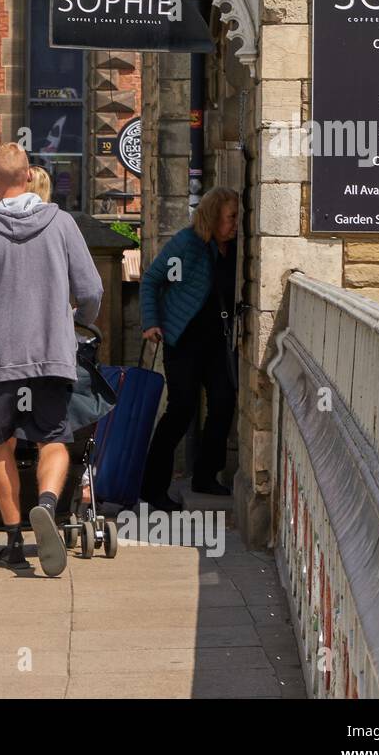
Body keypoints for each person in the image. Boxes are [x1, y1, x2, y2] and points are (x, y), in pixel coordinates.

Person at [0, 142, 103, 577]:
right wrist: (76, 322)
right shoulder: (61, 224)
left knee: (1, 444)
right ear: (29, 175)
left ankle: (14, 543)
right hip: (52, 352)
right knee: (53, 438)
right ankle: (48, 504)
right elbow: (91, 289)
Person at [138, 186, 240, 511]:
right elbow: (152, 281)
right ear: (213, 216)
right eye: (231, 217)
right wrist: (151, 322)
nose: (236, 224)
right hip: (182, 340)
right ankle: (152, 487)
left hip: (216, 342)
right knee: (181, 410)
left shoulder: (234, 248)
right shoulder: (187, 245)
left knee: (224, 401)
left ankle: (206, 475)